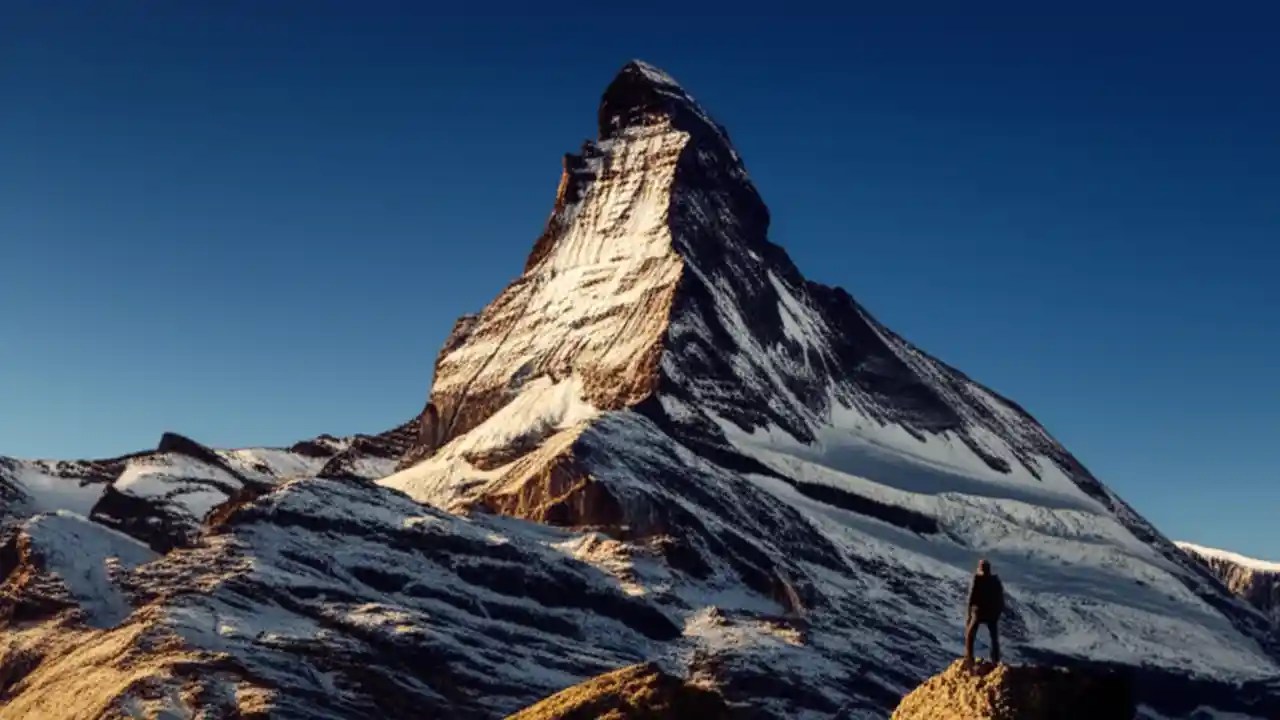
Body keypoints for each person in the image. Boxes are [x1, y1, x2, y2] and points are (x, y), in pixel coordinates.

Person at [963, 558, 1004, 665]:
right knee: (994, 638)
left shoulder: (977, 579)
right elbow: (1000, 598)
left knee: (970, 634)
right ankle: (995, 660)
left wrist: (968, 616)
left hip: (978, 613)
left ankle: (969, 658)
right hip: (992, 613)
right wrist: (997, 612)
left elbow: (971, 599)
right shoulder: (995, 580)